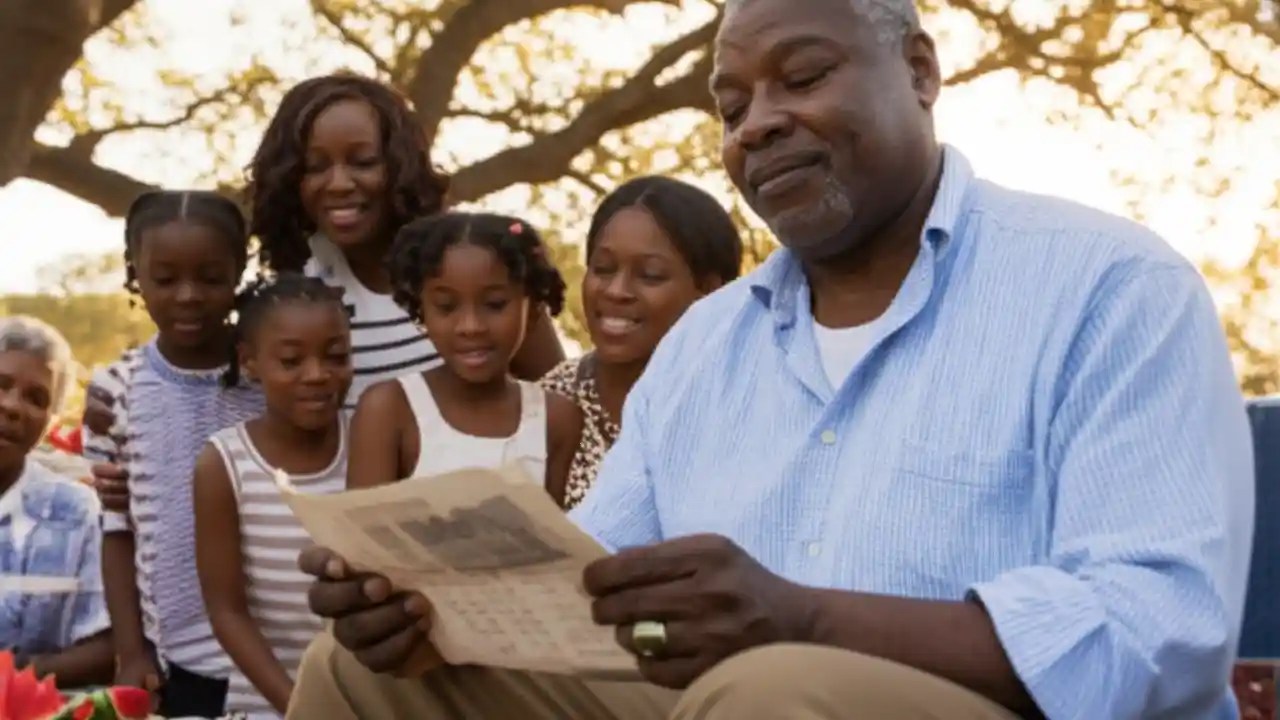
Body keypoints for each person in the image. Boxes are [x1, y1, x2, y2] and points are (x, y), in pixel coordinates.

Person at [289, 0, 1255, 717]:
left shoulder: (1108, 286)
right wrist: (429, 610)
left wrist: (808, 619)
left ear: (919, 71)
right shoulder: (704, 346)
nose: (756, 123)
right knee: (362, 674)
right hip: (727, 702)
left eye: (802, 76)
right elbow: (595, 587)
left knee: (768, 690)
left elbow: (1159, 628)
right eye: (731, 105)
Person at [86, 73, 565, 510]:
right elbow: (230, 397)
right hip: (353, 532)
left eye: (363, 162)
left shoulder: (476, 269)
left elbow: (560, 400)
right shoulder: (299, 286)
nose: (338, 183)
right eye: (314, 167)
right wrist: (139, 461)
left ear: (399, 165)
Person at [84, 190, 264, 718]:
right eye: (165, 279)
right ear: (134, 275)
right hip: (176, 659)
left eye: (210, 278)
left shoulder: (271, 374)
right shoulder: (116, 390)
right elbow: (117, 529)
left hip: (279, 644)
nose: (188, 296)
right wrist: (132, 651)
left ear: (239, 272)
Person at [194, 274, 352, 719]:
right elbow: (227, 612)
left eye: (336, 356)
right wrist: (301, 708)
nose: (317, 375)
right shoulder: (224, 464)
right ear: (249, 362)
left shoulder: (371, 444)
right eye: (291, 361)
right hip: (266, 704)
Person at [348, 212, 582, 506]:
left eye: (494, 304)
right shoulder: (390, 409)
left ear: (533, 309)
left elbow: (559, 529)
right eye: (446, 306)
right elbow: (358, 530)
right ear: (421, 309)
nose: (470, 326)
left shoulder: (557, 419)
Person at [540, 176, 743, 508]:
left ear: (709, 291)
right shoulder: (546, 407)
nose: (616, 291)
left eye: (650, 275)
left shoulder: (748, 403)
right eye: (603, 269)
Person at [0, 316, 113, 689]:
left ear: (51, 422)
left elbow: (106, 647)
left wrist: (16, 677)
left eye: (36, 398)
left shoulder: (76, 512)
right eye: (1, 385)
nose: (12, 406)